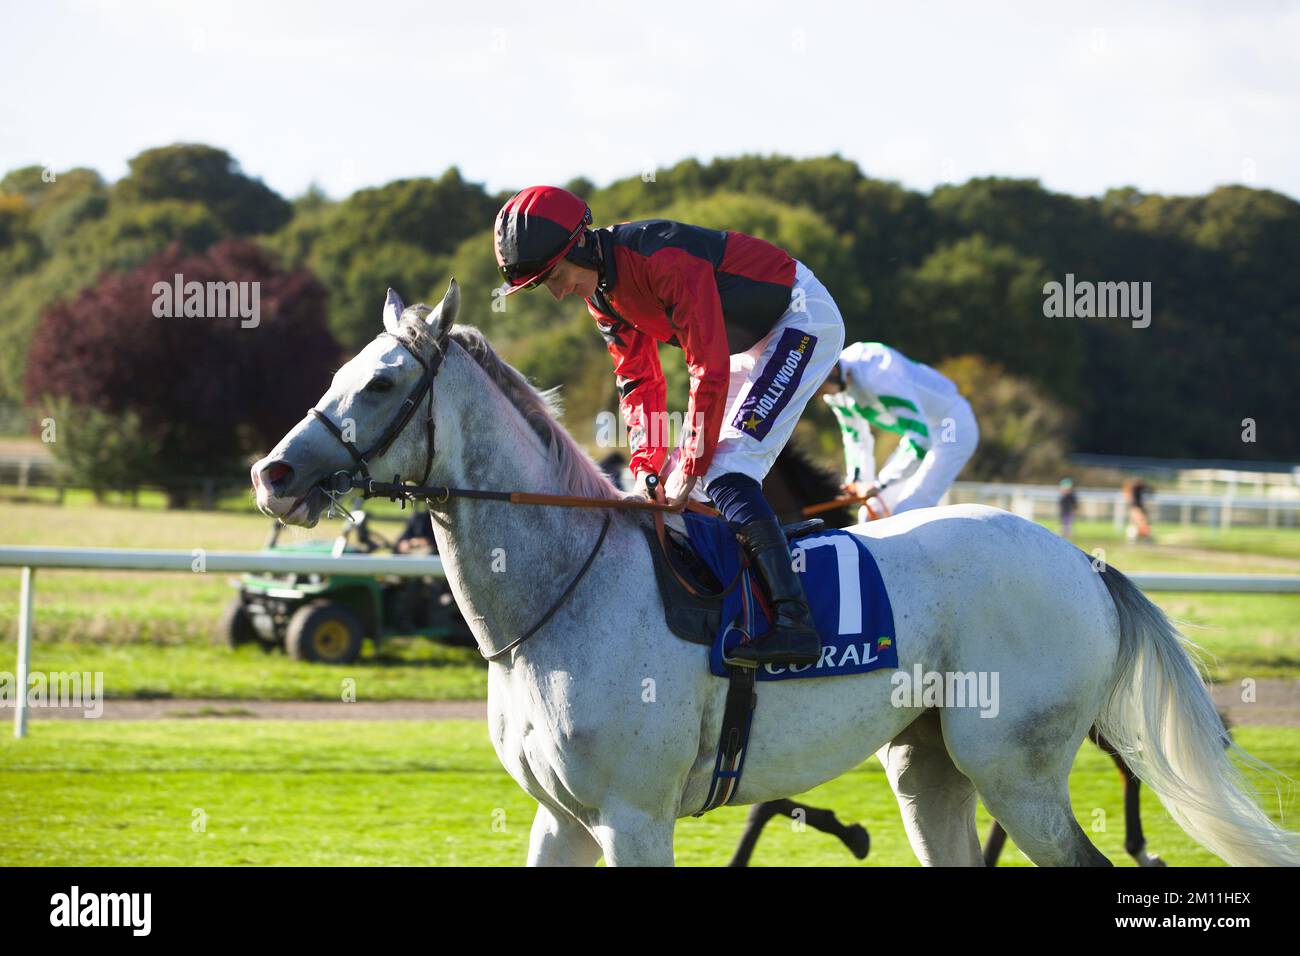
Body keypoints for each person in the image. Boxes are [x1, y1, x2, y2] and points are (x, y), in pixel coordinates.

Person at [494, 185, 846, 666]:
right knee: (685, 480)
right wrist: (650, 466)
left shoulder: (663, 257)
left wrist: (692, 461)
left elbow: (708, 367)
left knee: (724, 469)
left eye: (554, 276)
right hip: (748, 345)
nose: (557, 293)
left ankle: (795, 624)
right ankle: (732, 611)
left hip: (799, 319)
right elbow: (638, 380)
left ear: (578, 244)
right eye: (542, 286)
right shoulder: (601, 297)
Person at [818, 342, 978, 516]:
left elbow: (921, 438)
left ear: (832, 371)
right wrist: (858, 482)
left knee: (908, 510)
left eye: (817, 387)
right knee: (872, 512)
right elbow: (856, 438)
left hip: (951, 424)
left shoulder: (879, 375)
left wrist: (880, 484)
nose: (817, 394)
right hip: (922, 431)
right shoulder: (833, 391)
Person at [1123, 478, 1153, 543]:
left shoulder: (1134, 489)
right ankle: (1144, 538)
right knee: (1142, 522)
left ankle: (1137, 538)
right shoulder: (1135, 488)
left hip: (1136, 508)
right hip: (1136, 508)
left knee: (1137, 523)